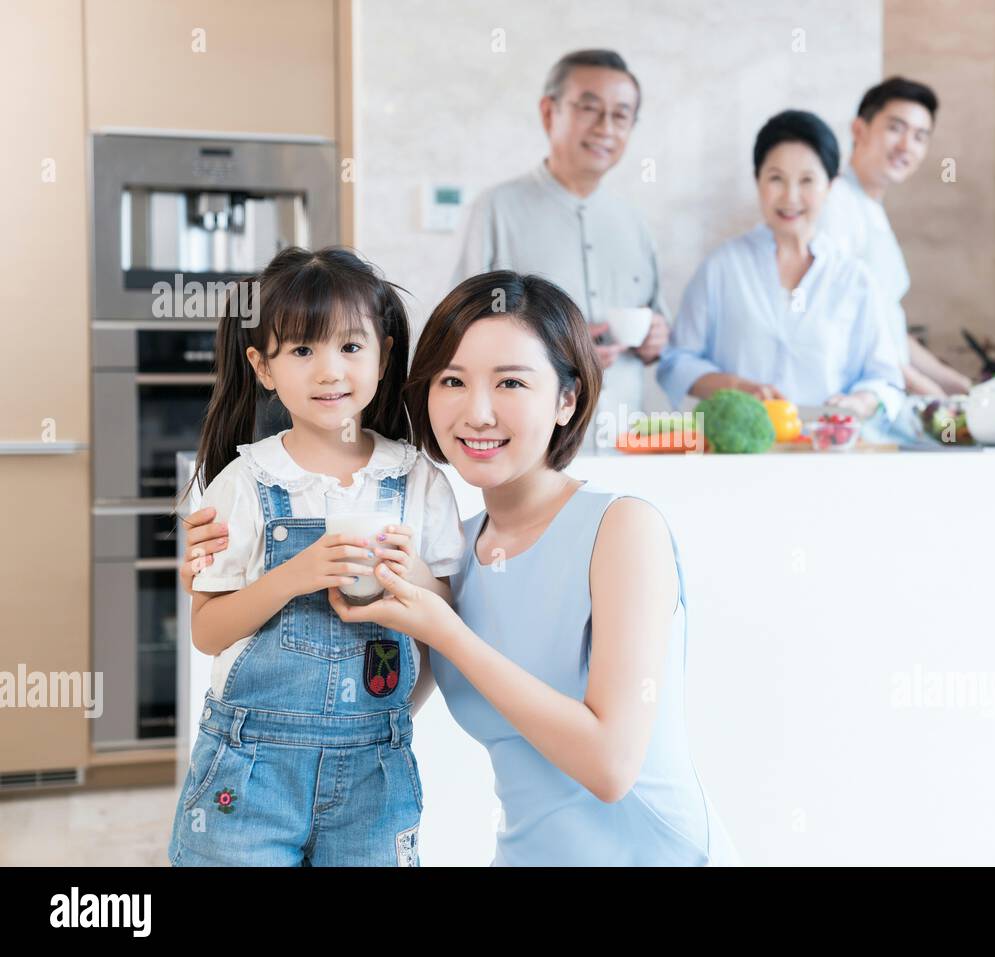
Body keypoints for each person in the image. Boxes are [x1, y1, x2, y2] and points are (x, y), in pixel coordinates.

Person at [185, 270, 742, 866]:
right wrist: (237, 574)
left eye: (510, 382)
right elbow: (368, 709)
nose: (477, 412)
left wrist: (444, 629)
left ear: (567, 399)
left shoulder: (623, 529)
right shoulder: (451, 555)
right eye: (453, 380)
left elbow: (610, 767)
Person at [168, 247, 464, 866]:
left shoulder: (417, 481)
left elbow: (448, 625)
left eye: (351, 348)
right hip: (251, 772)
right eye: (303, 350)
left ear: (383, 355)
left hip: (372, 772)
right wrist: (292, 576)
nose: (330, 371)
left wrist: (412, 583)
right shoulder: (245, 482)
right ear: (263, 367)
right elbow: (207, 630)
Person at [451, 49, 670, 448]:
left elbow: (660, 327)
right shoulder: (495, 209)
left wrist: (657, 337)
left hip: (626, 446)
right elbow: (460, 332)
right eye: (589, 108)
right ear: (549, 112)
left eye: (621, 115)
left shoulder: (634, 223)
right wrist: (561, 345)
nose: (606, 127)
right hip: (530, 449)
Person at [656, 109, 905, 424]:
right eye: (776, 178)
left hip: (828, 454)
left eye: (806, 180)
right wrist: (737, 387)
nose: (790, 197)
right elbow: (675, 363)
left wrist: (859, 402)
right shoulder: (722, 267)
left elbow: (886, 380)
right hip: (735, 453)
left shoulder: (853, 277)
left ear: (830, 185)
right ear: (758, 180)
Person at [817, 75, 973, 397]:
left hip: (885, 393)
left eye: (920, 136)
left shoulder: (871, 208)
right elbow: (841, 322)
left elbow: (890, 328)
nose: (906, 146)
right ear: (859, 130)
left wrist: (960, 386)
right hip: (854, 402)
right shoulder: (835, 202)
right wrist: (930, 396)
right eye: (895, 128)